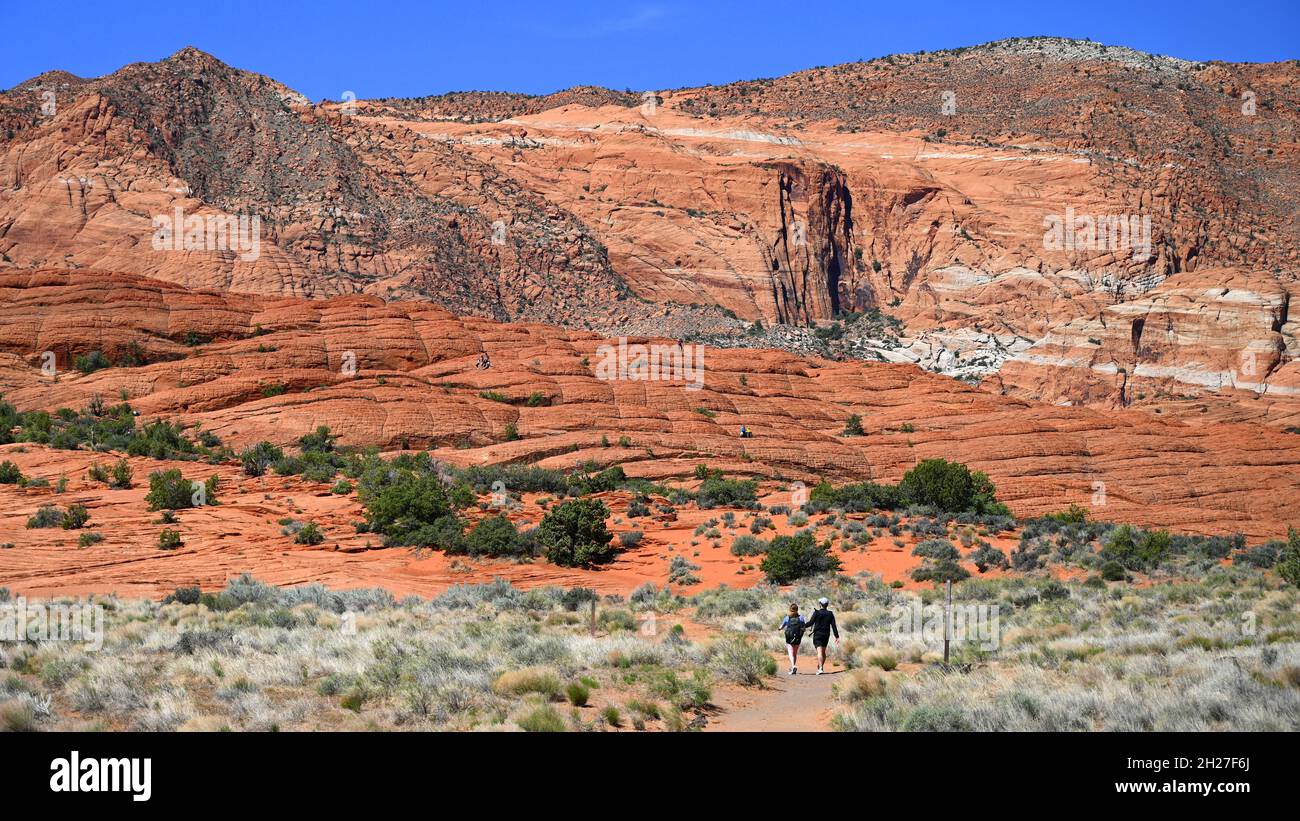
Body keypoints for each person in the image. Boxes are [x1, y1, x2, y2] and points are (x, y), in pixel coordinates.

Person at [807, 597, 840, 675]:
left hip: (818, 634)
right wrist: (837, 636)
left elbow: (810, 623)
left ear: (820, 604)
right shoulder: (830, 614)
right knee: (823, 652)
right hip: (826, 634)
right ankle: (820, 666)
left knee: (819, 652)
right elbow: (833, 626)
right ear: (827, 605)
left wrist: (802, 626)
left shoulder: (817, 613)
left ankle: (821, 668)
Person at [778, 603, 806, 675]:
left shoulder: (787, 618)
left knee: (790, 652)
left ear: (790, 610)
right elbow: (804, 626)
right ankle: (793, 666)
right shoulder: (801, 617)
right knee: (795, 653)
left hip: (789, 637)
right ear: (797, 610)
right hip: (798, 637)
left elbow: (782, 626)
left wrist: (779, 628)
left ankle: (793, 666)